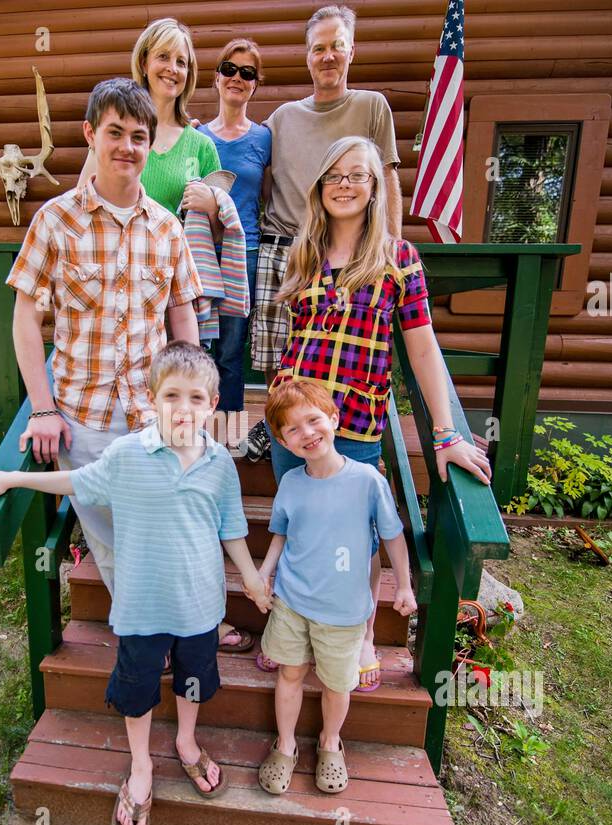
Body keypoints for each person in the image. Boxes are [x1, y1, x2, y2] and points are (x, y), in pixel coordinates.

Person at [0, 342, 272, 825]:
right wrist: (10, 476)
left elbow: (232, 528)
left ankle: (186, 741)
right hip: (140, 609)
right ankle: (139, 766)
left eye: (196, 397)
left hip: (200, 607)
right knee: (138, 688)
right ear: (152, 397)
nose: (183, 407)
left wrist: (251, 577)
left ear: (212, 405)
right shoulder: (127, 454)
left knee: (193, 681)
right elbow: (75, 481)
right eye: (171, 395)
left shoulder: (221, 463)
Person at [258, 135, 493, 689]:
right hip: (294, 421)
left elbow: (422, 346)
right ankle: (292, 624)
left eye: (357, 175)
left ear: (375, 187)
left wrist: (444, 433)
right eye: (334, 175)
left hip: (356, 423)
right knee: (298, 526)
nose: (345, 185)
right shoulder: (303, 252)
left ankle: (360, 628)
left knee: (357, 537)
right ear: (320, 187)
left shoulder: (398, 258)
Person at [5, 78, 202, 595]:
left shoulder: (168, 229)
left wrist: (191, 399)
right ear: (90, 134)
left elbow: (182, 318)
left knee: (167, 522)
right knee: (112, 539)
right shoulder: (54, 221)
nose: (127, 146)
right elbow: (26, 321)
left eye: (139, 136)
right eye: (115, 132)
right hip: (82, 416)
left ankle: (186, 617)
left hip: (152, 413)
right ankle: (144, 632)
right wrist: (43, 409)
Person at [242, 4, 402, 462]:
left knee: (341, 348)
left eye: (337, 46)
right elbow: (250, 157)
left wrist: (389, 243)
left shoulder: (371, 106)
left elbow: (387, 176)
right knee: (283, 353)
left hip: (350, 251)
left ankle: (334, 431)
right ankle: (276, 424)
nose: (328, 56)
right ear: (307, 56)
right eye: (319, 48)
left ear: (351, 51)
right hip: (285, 246)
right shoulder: (283, 117)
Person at [255, 378, 414, 795]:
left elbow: (392, 535)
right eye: (293, 429)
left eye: (313, 421)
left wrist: (403, 585)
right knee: (290, 673)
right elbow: (281, 535)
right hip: (292, 602)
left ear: (334, 420)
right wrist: (264, 573)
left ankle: (329, 742)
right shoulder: (291, 484)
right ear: (285, 443)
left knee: (336, 683)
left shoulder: (366, 481)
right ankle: (286, 745)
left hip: (344, 611)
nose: (306, 433)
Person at [195, 38, 272, 418]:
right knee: (196, 341)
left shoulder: (263, 137)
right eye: (229, 69)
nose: (236, 78)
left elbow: (268, 196)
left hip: (245, 253)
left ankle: (228, 433)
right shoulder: (196, 136)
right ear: (216, 77)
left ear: (255, 83)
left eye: (247, 73)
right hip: (201, 251)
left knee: (230, 347)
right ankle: (194, 429)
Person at [80, 19, 221, 220]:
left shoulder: (202, 146)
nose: (172, 68)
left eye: (181, 62)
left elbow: (218, 233)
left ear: (188, 74)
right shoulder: (118, 135)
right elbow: (81, 202)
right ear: (144, 63)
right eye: (163, 57)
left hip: (177, 249)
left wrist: (213, 208)